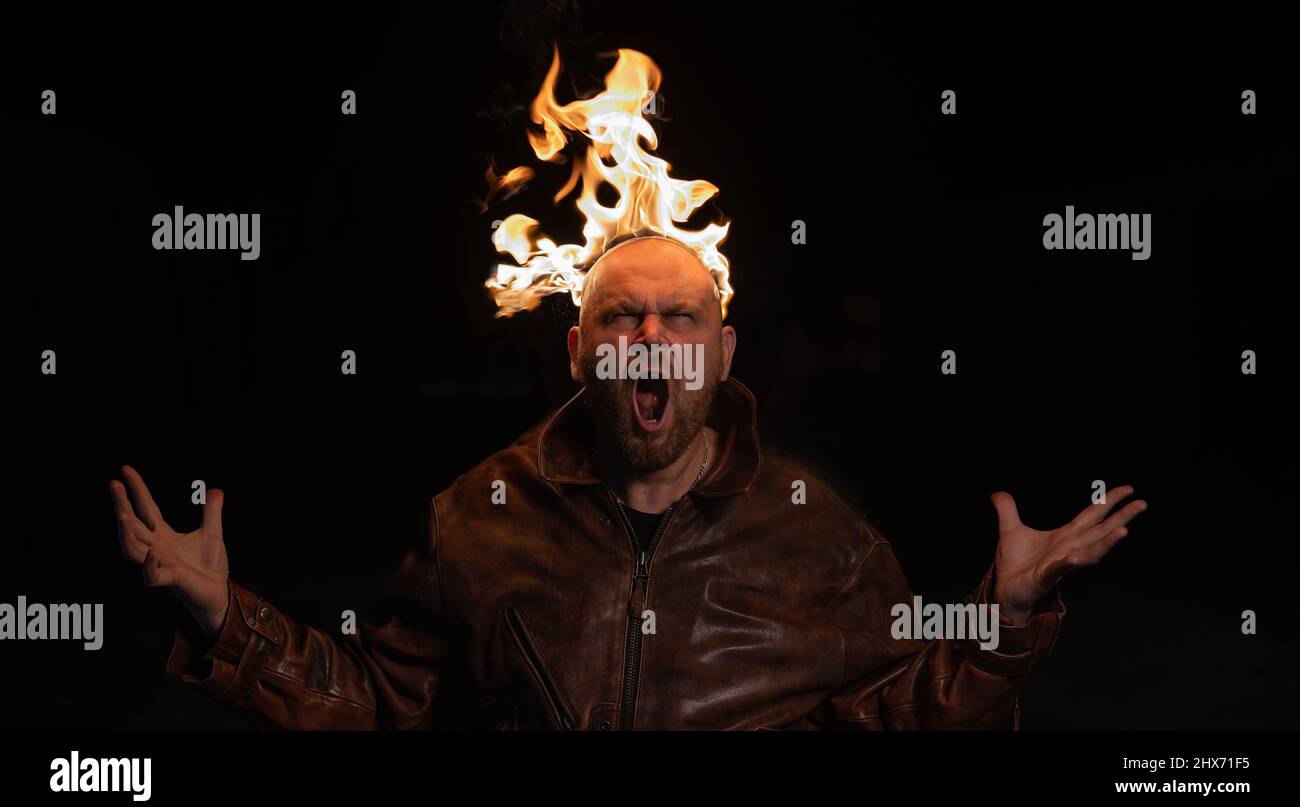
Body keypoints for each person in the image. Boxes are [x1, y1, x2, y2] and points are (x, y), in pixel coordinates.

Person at [109, 232, 1146, 730]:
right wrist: (222, 621)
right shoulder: (479, 514)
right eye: (621, 316)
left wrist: (1002, 620)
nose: (651, 335)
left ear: (722, 353)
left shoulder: (820, 535)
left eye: (680, 317)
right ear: (577, 351)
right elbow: (385, 709)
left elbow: (901, 721)